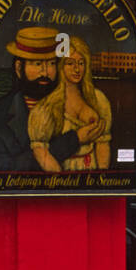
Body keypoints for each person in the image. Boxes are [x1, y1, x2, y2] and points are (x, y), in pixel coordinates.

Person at [0, 27, 99, 171]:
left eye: (51, 63)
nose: (46, 72)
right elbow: (2, 171)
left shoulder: (74, 107)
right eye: (37, 64)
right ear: (18, 68)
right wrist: (73, 141)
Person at [28, 36, 112, 172]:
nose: (77, 69)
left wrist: (100, 177)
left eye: (81, 63)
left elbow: (103, 143)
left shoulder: (98, 99)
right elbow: (41, 152)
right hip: (62, 174)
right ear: (61, 66)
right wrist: (62, 182)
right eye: (70, 63)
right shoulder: (47, 107)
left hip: (92, 173)